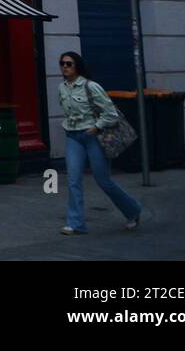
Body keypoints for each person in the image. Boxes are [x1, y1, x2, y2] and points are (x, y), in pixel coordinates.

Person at [57, 51, 143, 235]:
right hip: (73, 137)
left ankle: (133, 210)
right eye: (62, 63)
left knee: (103, 180)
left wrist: (96, 127)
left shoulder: (91, 86)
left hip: (93, 137)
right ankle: (76, 223)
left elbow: (110, 113)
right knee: (73, 180)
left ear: (77, 66)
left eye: (69, 64)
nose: (65, 67)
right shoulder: (62, 88)